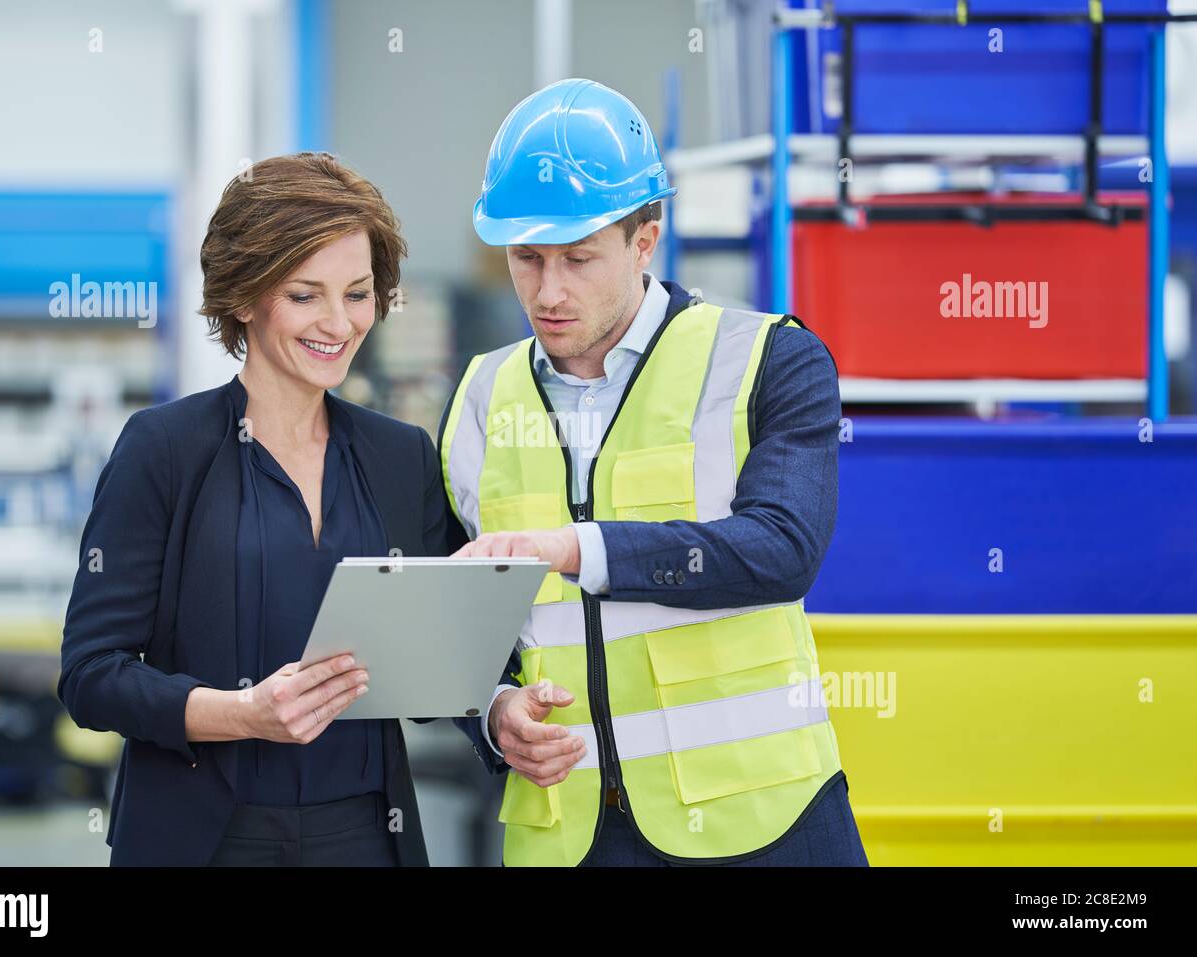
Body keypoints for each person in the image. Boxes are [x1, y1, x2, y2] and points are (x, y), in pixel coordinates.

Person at [442, 79, 869, 866]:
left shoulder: (768, 360)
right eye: (526, 259)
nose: (549, 290)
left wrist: (575, 550)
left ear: (647, 239)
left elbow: (782, 549)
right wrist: (496, 715)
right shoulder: (476, 400)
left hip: (761, 821)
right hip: (570, 833)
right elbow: (459, 622)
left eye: (578, 258)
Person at [59, 152, 494, 866]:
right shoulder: (163, 450)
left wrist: (501, 706)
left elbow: (436, 669)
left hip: (363, 837)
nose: (339, 322)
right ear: (243, 296)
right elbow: (91, 675)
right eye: (304, 295)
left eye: (358, 294)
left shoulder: (400, 456)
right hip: (205, 840)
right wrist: (239, 714)